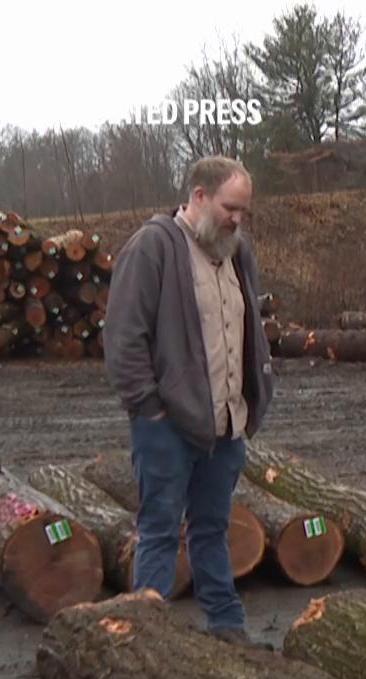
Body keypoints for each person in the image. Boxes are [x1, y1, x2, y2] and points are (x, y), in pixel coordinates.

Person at [103, 155, 275, 645]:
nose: (237, 219)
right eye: (229, 207)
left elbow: (249, 331)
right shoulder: (154, 247)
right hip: (167, 428)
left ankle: (225, 626)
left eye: (243, 210)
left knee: (212, 528)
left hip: (227, 424)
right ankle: (147, 639)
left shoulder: (237, 252)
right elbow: (122, 339)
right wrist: (150, 409)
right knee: (159, 530)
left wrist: (256, 393)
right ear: (199, 196)